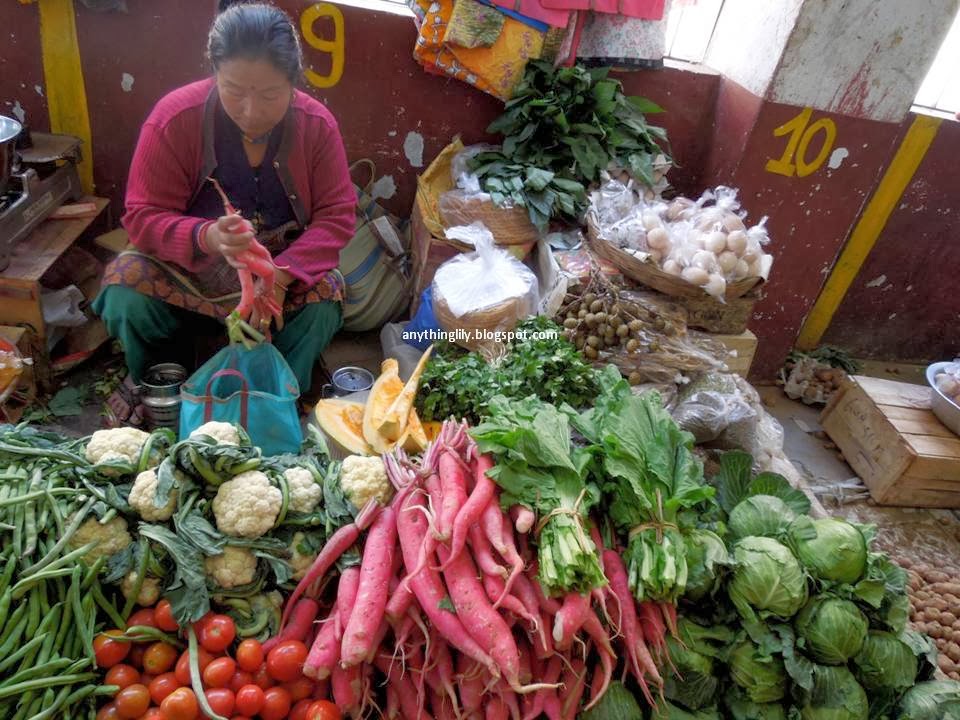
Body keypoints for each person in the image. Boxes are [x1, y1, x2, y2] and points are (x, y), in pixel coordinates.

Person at [94, 0, 355, 425]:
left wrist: (280, 278)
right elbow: (142, 216)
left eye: (270, 95)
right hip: (192, 270)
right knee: (124, 287)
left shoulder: (317, 126)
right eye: (234, 90)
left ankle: (274, 396)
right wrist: (207, 237)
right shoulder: (175, 118)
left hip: (279, 270)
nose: (251, 111)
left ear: (293, 83)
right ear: (214, 72)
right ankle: (165, 384)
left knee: (327, 297)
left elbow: (337, 218)